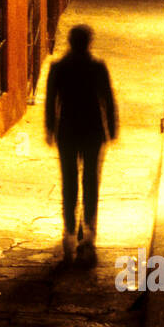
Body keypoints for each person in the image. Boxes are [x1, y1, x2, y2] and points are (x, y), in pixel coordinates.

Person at [44, 24, 117, 263]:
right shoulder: (97, 68)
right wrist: (112, 128)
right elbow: (107, 98)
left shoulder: (59, 68)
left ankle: (69, 231)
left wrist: (50, 129)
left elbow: (50, 101)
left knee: (69, 182)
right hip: (92, 131)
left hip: (67, 131)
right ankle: (88, 233)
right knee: (90, 182)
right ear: (88, 43)